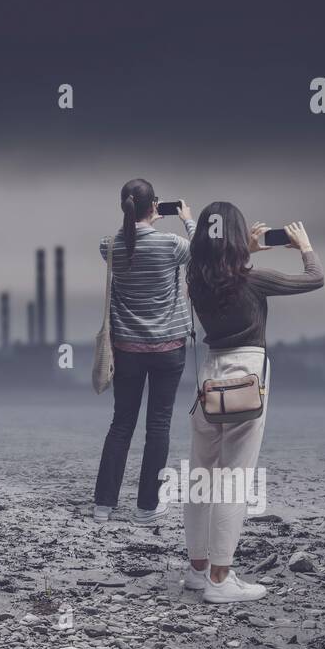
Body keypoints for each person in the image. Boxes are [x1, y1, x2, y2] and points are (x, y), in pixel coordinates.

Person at [185, 204, 324, 602]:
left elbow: (216, 267)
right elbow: (315, 279)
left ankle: (197, 571)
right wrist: (304, 245)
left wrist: (241, 253)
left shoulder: (196, 280)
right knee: (234, 479)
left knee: (201, 476)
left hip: (208, 378)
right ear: (235, 237)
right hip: (247, 375)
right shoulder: (254, 281)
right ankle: (220, 579)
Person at [94, 179, 195, 523]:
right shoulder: (172, 244)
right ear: (155, 206)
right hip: (168, 348)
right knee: (159, 425)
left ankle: (103, 506)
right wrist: (186, 218)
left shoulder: (109, 246)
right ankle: (146, 507)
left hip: (127, 349)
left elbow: (121, 239)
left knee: (121, 424)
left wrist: (141, 219)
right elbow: (203, 251)